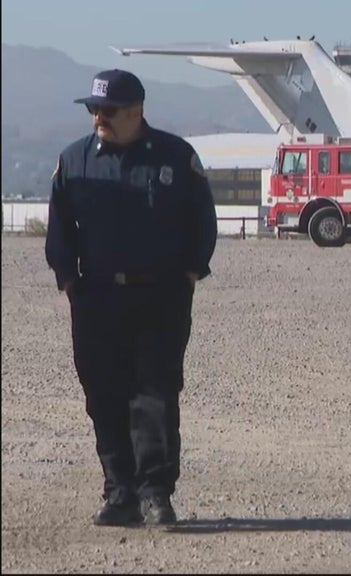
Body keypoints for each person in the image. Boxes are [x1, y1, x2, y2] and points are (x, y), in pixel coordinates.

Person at [45, 69, 218, 527]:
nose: (98, 117)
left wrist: (189, 273)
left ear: (136, 112)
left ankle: (155, 493)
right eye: (94, 109)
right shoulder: (75, 160)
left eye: (108, 110)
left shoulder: (175, 158)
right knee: (103, 393)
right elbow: (60, 226)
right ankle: (119, 491)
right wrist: (68, 280)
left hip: (160, 296)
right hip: (97, 297)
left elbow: (202, 218)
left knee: (154, 394)